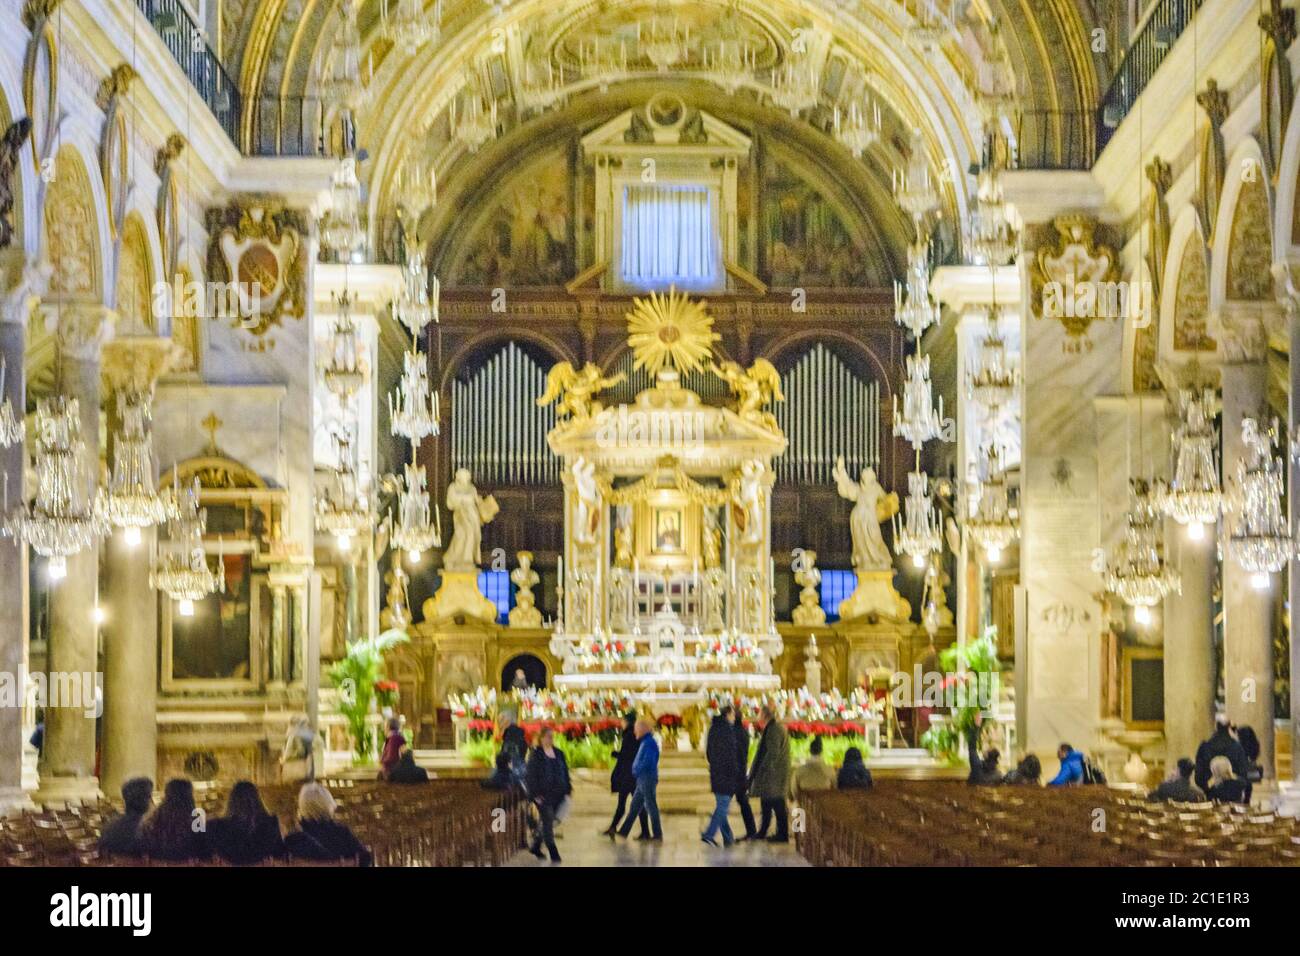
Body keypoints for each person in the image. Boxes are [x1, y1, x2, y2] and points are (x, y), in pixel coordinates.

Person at [284, 782, 373, 866]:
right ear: (328, 804)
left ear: (302, 806)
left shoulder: (294, 838)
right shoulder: (341, 834)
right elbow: (365, 859)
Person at [207, 781, 285, 864]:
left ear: (231, 801)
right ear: (257, 799)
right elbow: (279, 853)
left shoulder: (217, 827)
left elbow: (210, 854)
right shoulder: (270, 823)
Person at [525, 726, 572, 862]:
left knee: (549, 821)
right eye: (548, 736)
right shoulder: (536, 754)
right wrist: (535, 794)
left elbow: (565, 772)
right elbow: (531, 776)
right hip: (542, 795)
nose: (550, 739)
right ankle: (553, 851)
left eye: (552, 737)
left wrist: (568, 789)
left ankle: (536, 845)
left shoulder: (559, 753)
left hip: (559, 794)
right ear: (541, 738)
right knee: (547, 819)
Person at [139, 779, 211, 862]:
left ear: (166, 794)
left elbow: (144, 847)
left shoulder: (152, 818)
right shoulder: (196, 818)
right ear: (189, 795)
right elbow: (202, 849)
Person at [748, 705, 791, 842]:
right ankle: (763, 831)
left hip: (774, 776)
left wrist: (763, 769)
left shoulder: (774, 730)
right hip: (771, 777)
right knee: (766, 803)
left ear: (765, 716)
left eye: (760, 715)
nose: (758, 718)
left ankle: (782, 834)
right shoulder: (772, 728)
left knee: (777, 805)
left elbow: (773, 753)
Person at [616, 718, 663, 841]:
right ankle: (623, 831)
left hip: (646, 778)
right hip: (642, 778)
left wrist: (636, 769)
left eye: (637, 729)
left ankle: (657, 835)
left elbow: (648, 761)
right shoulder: (645, 742)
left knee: (651, 806)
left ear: (642, 729)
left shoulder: (649, 743)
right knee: (635, 806)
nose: (635, 731)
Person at [604, 711, 648, 838]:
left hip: (628, 776)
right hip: (632, 775)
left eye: (623, 721)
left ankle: (614, 828)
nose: (621, 723)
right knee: (633, 804)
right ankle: (643, 831)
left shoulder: (629, 735)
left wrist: (615, 754)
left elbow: (627, 755)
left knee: (626, 804)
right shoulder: (636, 735)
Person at [702, 706, 740, 847]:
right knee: (723, 806)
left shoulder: (714, 728)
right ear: (727, 715)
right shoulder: (727, 731)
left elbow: (709, 752)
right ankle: (709, 834)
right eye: (733, 715)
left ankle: (728, 838)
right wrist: (734, 772)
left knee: (721, 806)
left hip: (716, 773)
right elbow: (731, 755)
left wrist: (715, 766)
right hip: (726, 775)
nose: (734, 718)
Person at [98, 777, 153, 857]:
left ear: (125, 800)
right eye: (150, 796)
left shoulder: (109, 827)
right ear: (147, 801)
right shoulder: (151, 831)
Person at [1194, 716, 1250, 793]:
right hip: (1233, 794)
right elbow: (1244, 775)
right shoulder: (1237, 748)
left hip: (1211, 794)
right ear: (1229, 726)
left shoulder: (1205, 747)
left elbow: (1198, 776)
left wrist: (1207, 785)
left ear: (1216, 726)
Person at [733, 715, 758, 840]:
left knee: (737, 801)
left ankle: (751, 830)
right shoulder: (744, 732)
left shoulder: (733, 733)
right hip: (742, 770)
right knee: (743, 801)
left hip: (734, 772)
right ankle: (751, 829)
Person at [379, 717, 405, 781]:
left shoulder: (393, 738)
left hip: (392, 773)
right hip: (393, 771)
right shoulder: (395, 737)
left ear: (388, 727)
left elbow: (391, 757)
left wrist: (382, 761)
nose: (384, 729)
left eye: (385, 726)